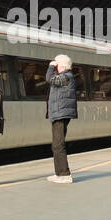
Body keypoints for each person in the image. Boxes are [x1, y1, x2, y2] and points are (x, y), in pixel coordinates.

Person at [45, 54, 78, 184]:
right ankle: (59, 173)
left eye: (57, 65)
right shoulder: (64, 77)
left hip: (61, 113)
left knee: (59, 145)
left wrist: (50, 66)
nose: (55, 67)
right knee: (56, 145)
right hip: (59, 113)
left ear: (63, 66)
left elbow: (49, 79)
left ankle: (64, 174)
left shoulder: (66, 76)